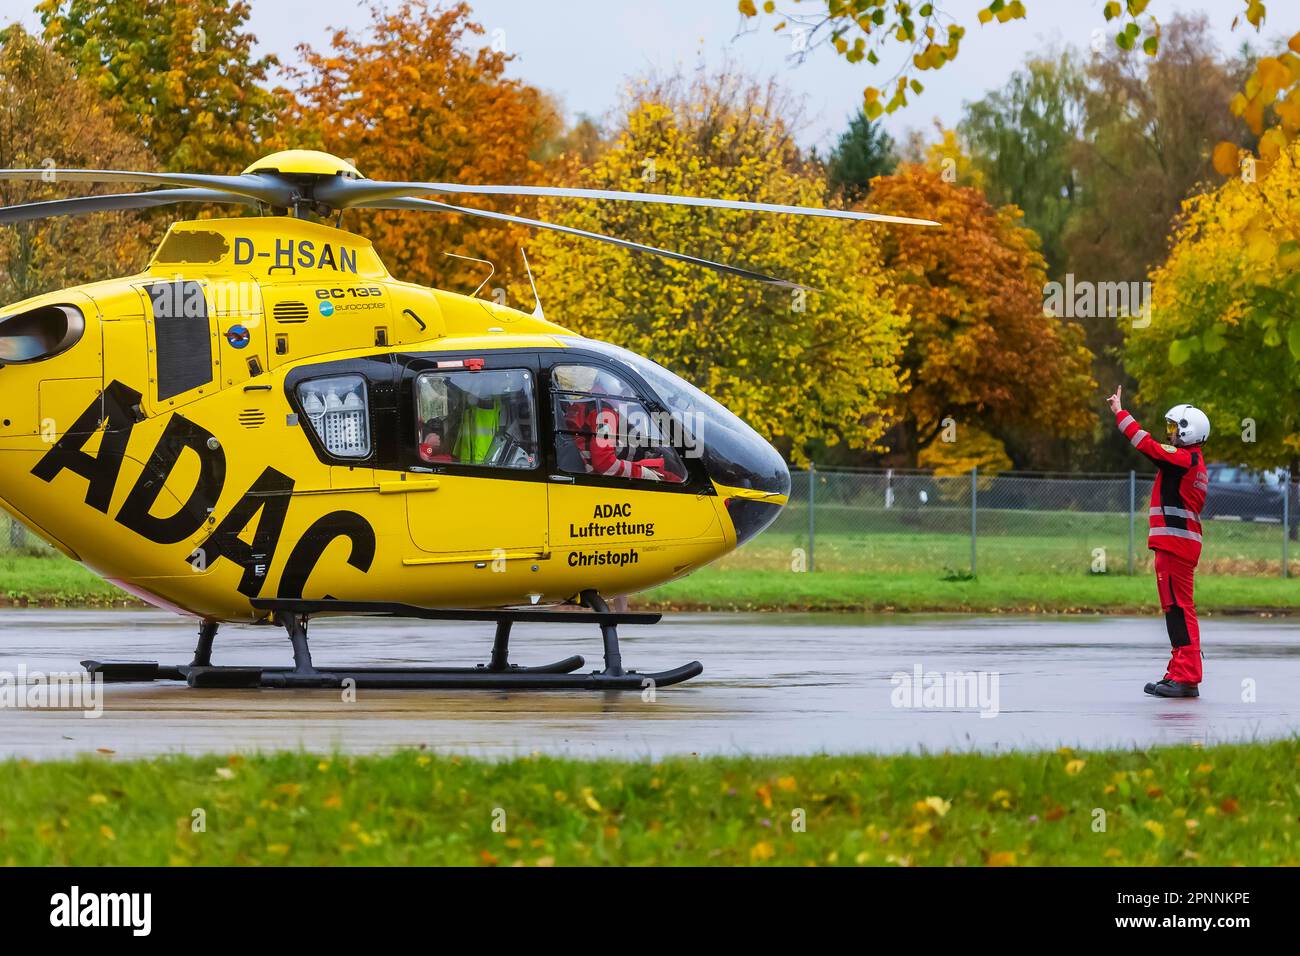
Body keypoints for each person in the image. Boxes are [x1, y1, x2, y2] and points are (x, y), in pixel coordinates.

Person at [1106, 385, 1210, 699]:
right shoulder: (1189, 461)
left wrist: (1120, 413)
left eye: (1174, 429)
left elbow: (1146, 445)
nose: (1169, 434)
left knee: (1179, 609)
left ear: (1189, 433)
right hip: (1175, 546)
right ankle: (1179, 671)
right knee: (1175, 609)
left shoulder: (1184, 460)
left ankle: (1187, 676)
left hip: (1176, 547)